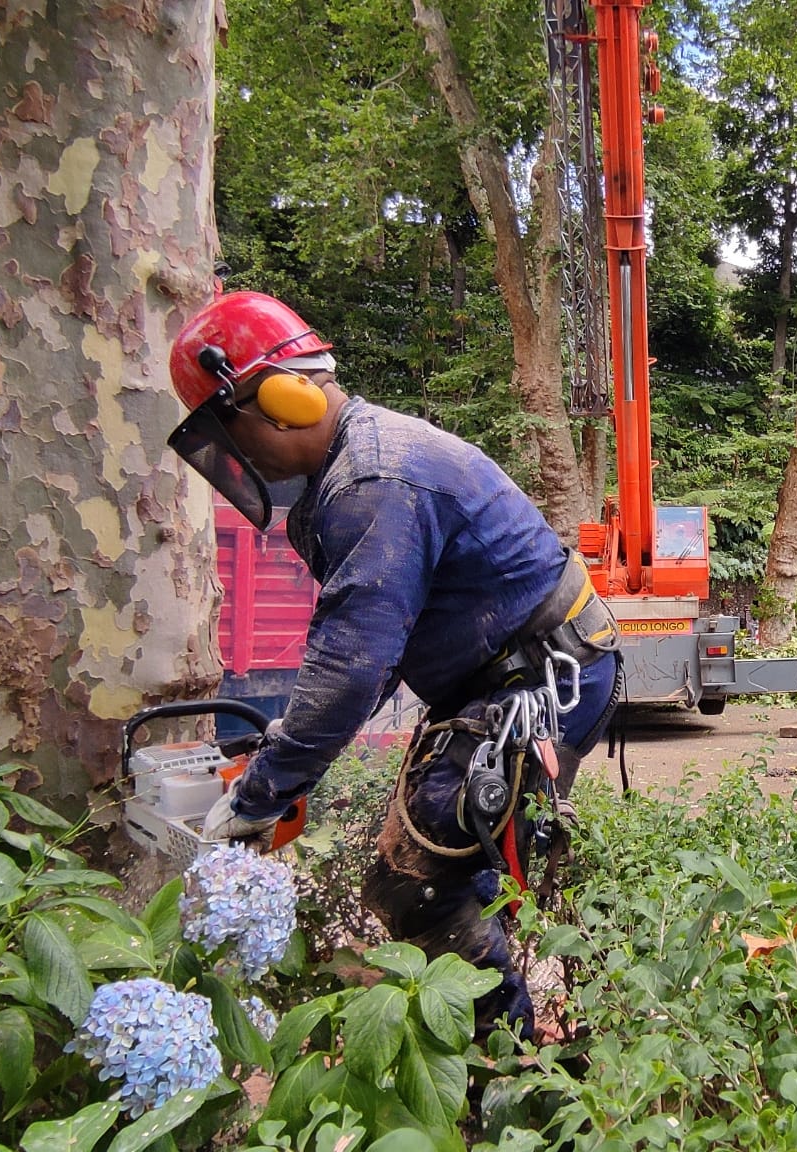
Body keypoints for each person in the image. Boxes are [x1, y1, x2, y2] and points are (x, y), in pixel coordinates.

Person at [163, 290, 621, 1035]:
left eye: (231, 436)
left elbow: (351, 665)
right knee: (452, 862)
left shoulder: (373, 484)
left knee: (418, 882)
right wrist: (282, 751)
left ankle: (510, 1068)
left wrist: (264, 791)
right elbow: (366, 652)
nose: (238, 460)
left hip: (542, 679)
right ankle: (504, 1025)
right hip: (508, 672)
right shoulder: (356, 469)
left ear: (282, 398)